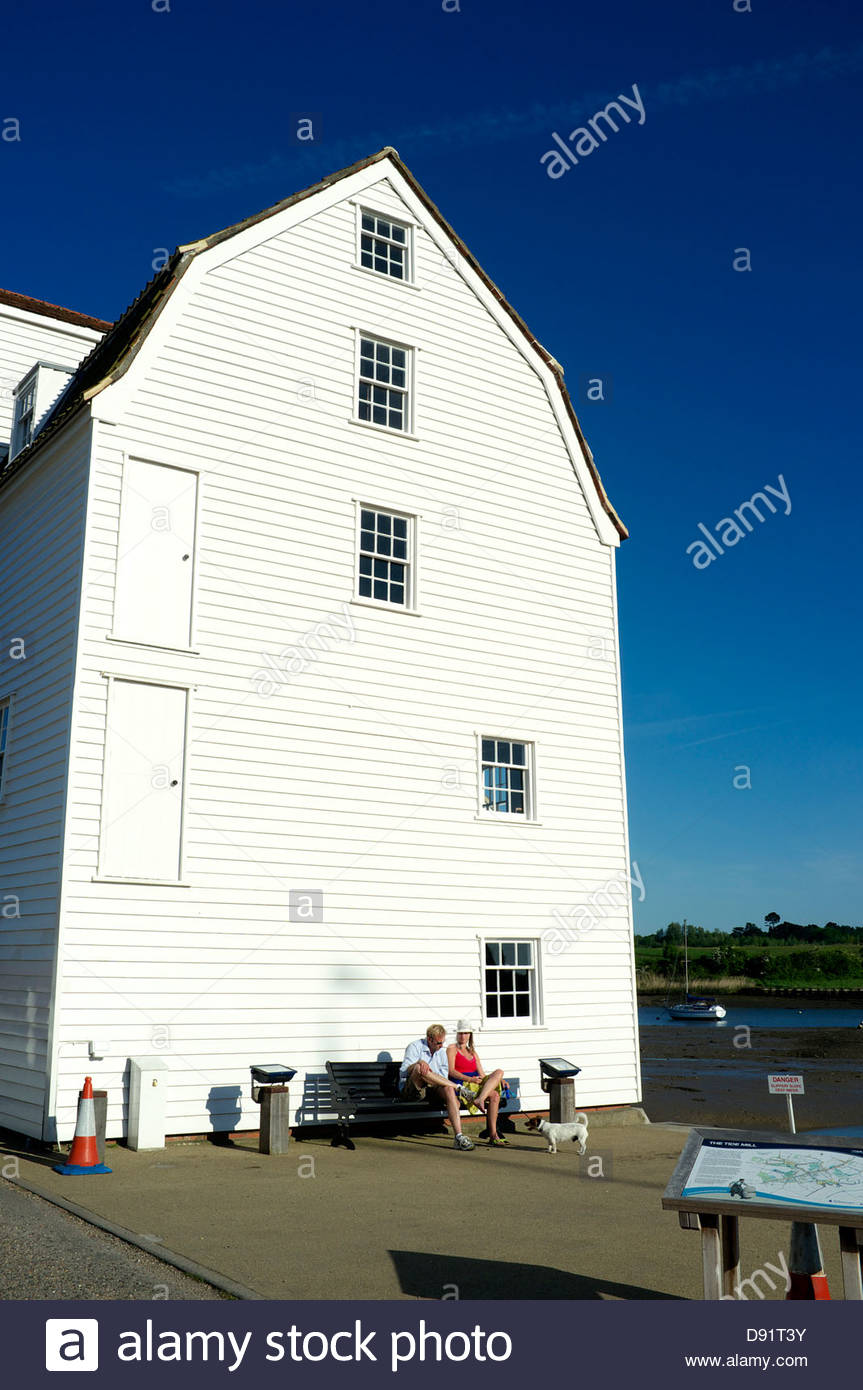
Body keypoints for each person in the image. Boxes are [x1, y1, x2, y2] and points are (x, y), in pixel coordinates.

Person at [400, 1024, 474, 1151]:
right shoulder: (414, 1047)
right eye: (439, 1043)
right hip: (413, 1090)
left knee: (448, 1088)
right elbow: (404, 1071)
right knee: (420, 1068)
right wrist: (419, 1063)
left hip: (433, 1089)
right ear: (430, 1039)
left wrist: (431, 1075)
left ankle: (459, 1136)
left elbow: (443, 1078)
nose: (441, 1046)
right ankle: (459, 1088)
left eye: (442, 1042)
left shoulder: (441, 1052)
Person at [446, 1019, 508, 1146]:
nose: (463, 1036)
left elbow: (482, 1075)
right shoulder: (452, 1049)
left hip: (476, 1084)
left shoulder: (472, 1052)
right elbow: (451, 1071)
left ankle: (492, 1131)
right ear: (457, 1034)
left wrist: (499, 1080)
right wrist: (469, 1079)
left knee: (499, 1072)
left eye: (466, 1033)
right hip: (462, 1085)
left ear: (470, 1035)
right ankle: (493, 1134)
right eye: (461, 1033)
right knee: (495, 1095)